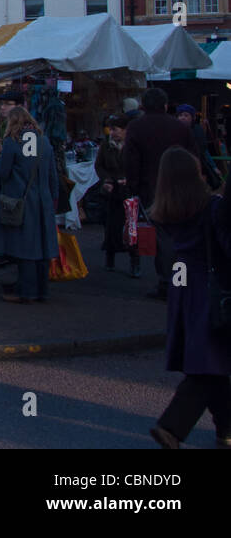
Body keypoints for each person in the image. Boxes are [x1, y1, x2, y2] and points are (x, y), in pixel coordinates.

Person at [147, 146, 231, 449]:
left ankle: (226, 430)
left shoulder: (164, 211)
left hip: (184, 290)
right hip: (212, 290)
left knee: (215, 364)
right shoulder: (212, 209)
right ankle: (172, 426)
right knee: (209, 366)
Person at [125, 87, 199, 300]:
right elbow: (194, 156)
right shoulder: (180, 128)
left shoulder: (137, 127)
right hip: (182, 187)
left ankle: (169, 283)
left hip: (152, 188)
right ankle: (180, 281)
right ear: (165, 105)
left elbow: (131, 161)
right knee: (180, 236)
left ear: (143, 105)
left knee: (164, 237)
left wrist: (133, 186)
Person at [0, 106, 59, 303]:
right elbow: (54, 175)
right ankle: (42, 291)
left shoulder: (12, 142)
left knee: (25, 248)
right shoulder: (44, 141)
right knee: (41, 248)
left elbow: (3, 172)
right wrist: (53, 199)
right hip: (43, 202)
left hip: (21, 202)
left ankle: (26, 292)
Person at [95, 115, 139, 277]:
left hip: (128, 192)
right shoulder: (106, 146)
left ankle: (135, 260)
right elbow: (99, 165)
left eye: (115, 129)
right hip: (111, 190)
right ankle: (110, 257)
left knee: (131, 227)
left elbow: (138, 166)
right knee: (111, 226)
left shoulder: (132, 146)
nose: (112, 132)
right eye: (110, 129)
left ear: (125, 130)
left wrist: (130, 179)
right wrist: (106, 180)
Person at [176, 104, 222, 189]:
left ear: (192, 117)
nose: (182, 117)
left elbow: (203, 151)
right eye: (180, 115)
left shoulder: (197, 130)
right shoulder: (175, 131)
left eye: (186, 115)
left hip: (197, 168)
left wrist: (213, 167)